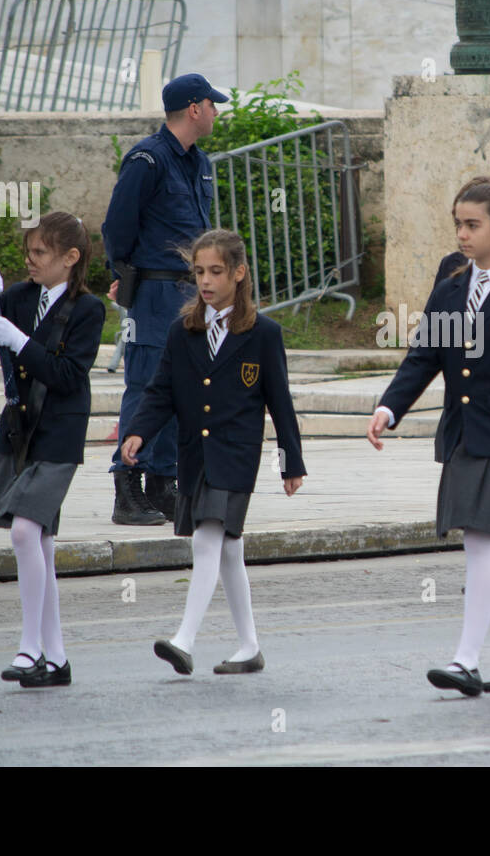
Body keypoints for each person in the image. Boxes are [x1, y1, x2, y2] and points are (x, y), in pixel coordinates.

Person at [368, 178, 490, 696]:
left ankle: (466, 660)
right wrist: (389, 407)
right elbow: (424, 355)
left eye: (472, 225)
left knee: (480, 537)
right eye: (458, 223)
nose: (462, 234)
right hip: (464, 432)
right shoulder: (450, 286)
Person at [122, 229, 306, 676]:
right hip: (195, 455)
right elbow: (161, 390)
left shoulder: (263, 334)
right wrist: (138, 433)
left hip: (237, 457)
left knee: (208, 537)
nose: (205, 280)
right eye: (200, 271)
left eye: (216, 271)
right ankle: (249, 647)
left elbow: (279, 400)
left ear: (238, 274)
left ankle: (185, 639)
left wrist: (291, 461)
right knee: (228, 551)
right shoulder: (182, 331)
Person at [0, 212, 106, 687]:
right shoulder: (17, 297)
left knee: (24, 533)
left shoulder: (88, 309)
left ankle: (29, 647)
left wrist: (20, 342)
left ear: (70, 259)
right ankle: (56, 657)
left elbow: (69, 375)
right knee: (41, 545)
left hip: (59, 434)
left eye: (40, 254)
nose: (29, 261)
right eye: (28, 252)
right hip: (19, 429)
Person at [103, 73, 226, 526]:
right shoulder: (147, 160)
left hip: (192, 291)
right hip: (155, 290)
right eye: (213, 104)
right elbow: (117, 227)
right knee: (146, 384)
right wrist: (124, 275)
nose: (216, 111)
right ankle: (127, 486)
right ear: (194, 108)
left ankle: (162, 482)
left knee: (183, 387)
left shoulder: (200, 162)